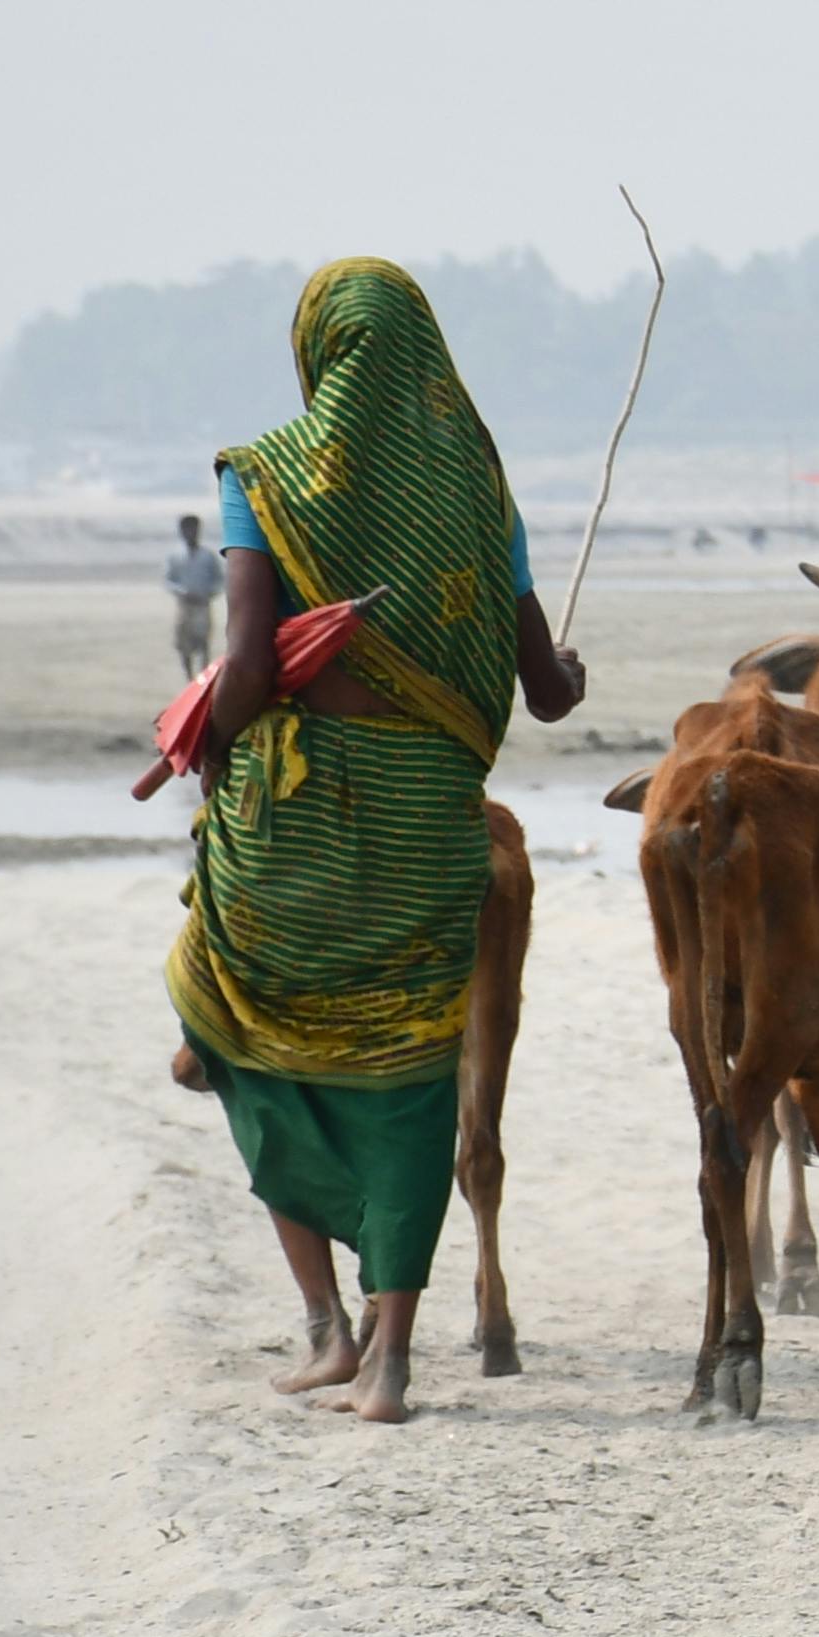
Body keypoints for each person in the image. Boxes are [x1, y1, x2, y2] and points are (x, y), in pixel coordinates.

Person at [147, 261, 584, 1423]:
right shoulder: (484, 495)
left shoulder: (267, 477)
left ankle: (325, 1326)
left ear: (318, 356)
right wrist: (569, 673)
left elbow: (244, 666)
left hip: (293, 824)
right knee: (407, 1070)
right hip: (427, 826)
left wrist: (202, 742)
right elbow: (544, 693)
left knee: (228, 1023)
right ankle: (393, 1360)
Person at [162, 510, 226, 671]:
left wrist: (210, 593)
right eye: (186, 529)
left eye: (193, 529)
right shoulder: (175, 555)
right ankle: (189, 678)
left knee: (203, 641)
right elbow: (168, 579)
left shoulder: (208, 555)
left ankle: (202, 677)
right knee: (184, 644)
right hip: (185, 606)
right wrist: (182, 591)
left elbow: (219, 578)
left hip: (203, 605)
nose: (190, 532)